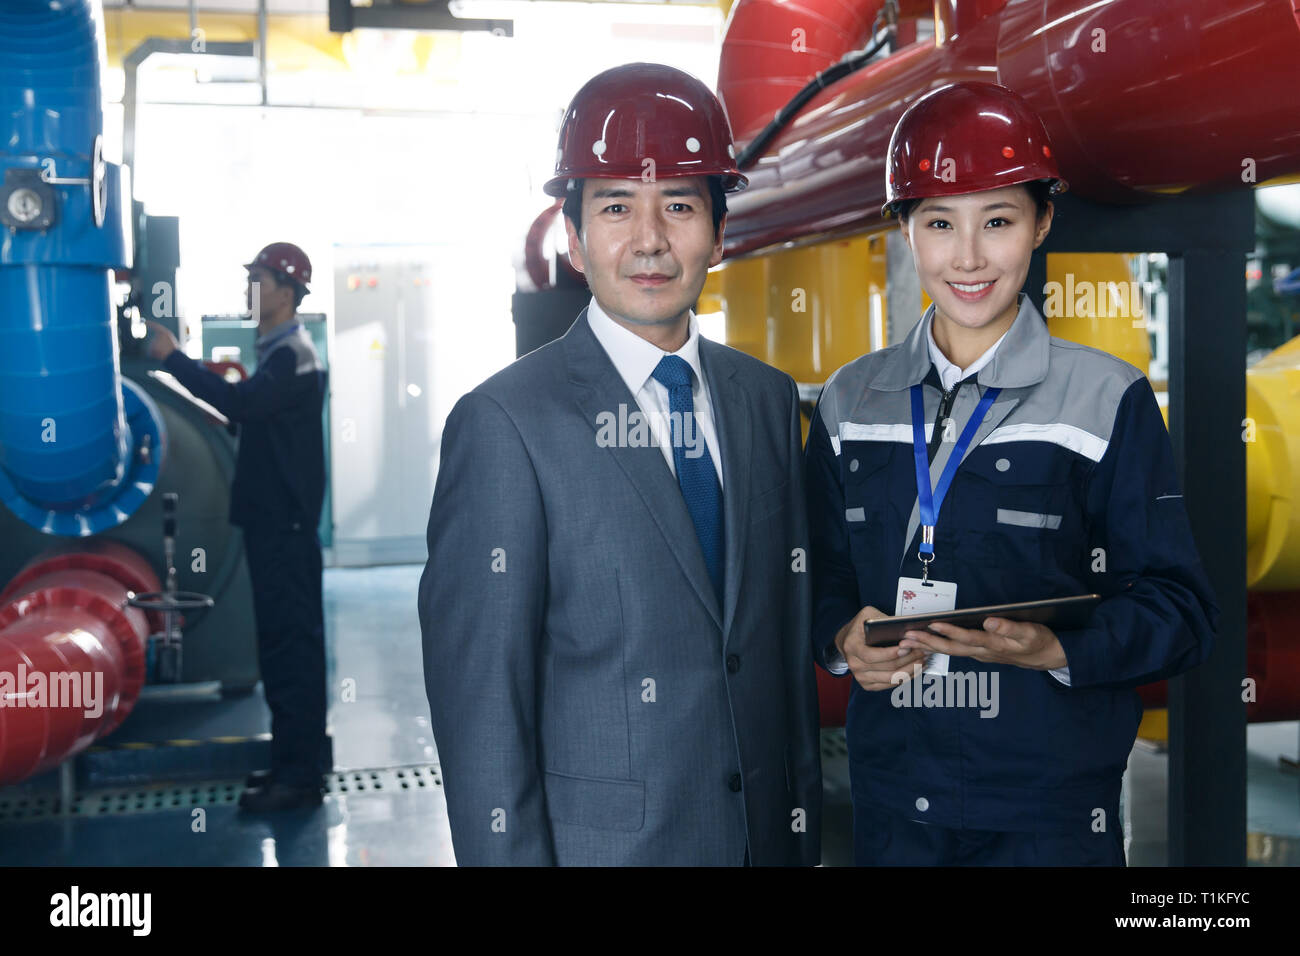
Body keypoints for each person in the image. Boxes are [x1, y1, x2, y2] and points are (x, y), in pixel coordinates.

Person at [805, 81, 1218, 866]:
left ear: (1042, 222)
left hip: (1047, 821)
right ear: (904, 230)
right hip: (895, 812)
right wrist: (839, 638)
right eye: (938, 223)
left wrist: (1056, 651)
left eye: (997, 221)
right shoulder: (848, 401)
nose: (967, 257)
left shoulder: (1107, 400)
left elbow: (1183, 610)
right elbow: (817, 574)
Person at [418, 62, 821, 866]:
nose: (649, 240)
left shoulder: (767, 402)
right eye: (614, 208)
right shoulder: (505, 426)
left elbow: (775, 647)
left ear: (717, 231)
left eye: (678, 205)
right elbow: (482, 704)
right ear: (572, 238)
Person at [146, 242, 330, 813]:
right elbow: (244, 409)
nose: (250, 289)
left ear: (286, 289)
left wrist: (172, 358)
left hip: (285, 527)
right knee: (280, 647)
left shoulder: (292, 356)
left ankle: (299, 778)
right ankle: (291, 766)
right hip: (274, 522)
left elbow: (241, 402)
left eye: (259, 279)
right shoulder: (276, 353)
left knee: (291, 647)